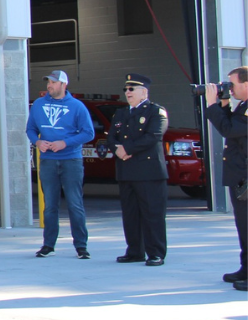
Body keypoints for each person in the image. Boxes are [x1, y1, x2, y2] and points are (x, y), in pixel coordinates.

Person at [26, 70, 95, 259]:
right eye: (48, 82)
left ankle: (81, 246)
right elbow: (30, 129)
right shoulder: (38, 105)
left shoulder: (77, 106)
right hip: (48, 161)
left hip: (71, 160)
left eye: (53, 82)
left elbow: (88, 133)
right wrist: (38, 142)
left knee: (75, 203)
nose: (49, 85)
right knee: (50, 206)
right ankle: (48, 245)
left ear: (64, 85)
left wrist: (65, 143)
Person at [108, 73, 169, 266]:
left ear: (144, 92)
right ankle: (135, 251)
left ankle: (156, 253)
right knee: (131, 214)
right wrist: (117, 149)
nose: (127, 92)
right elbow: (111, 137)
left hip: (148, 172)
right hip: (127, 171)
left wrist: (127, 149)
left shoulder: (155, 112)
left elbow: (154, 135)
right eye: (126, 89)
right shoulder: (121, 113)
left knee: (152, 214)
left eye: (131, 89)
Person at [203, 67, 247, 291]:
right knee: (243, 225)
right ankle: (246, 267)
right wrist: (223, 103)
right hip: (240, 176)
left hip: (246, 176)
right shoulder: (242, 107)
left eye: (233, 84)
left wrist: (211, 105)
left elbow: (229, 130)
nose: (230, 89)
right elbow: (231, 123)